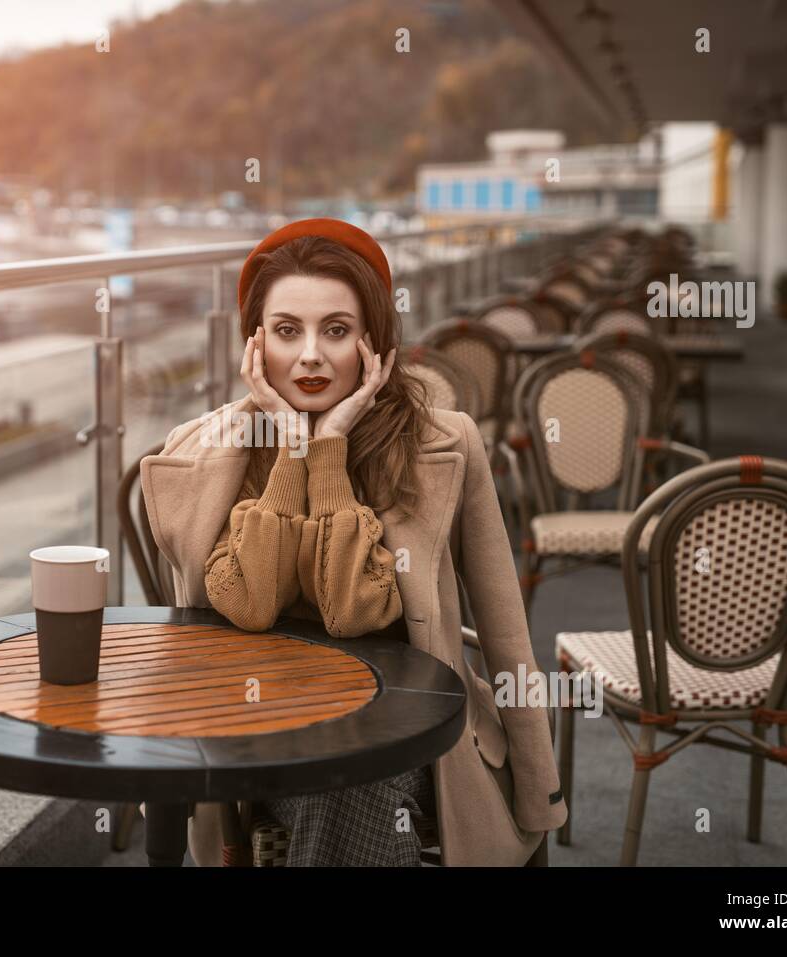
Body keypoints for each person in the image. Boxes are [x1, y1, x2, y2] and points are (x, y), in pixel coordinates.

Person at [140, 218, 566, 867]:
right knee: (327, 777)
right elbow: (247, 603)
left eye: (335, 330)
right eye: (287, 331)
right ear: (255, 344)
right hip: (251, 731)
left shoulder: (441, 442)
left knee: (345, 780)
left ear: (374, 340)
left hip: (412, 727)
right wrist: (294, 447)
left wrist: (539, 787)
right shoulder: (204, 452)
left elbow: (492, 630)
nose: (311, 354)